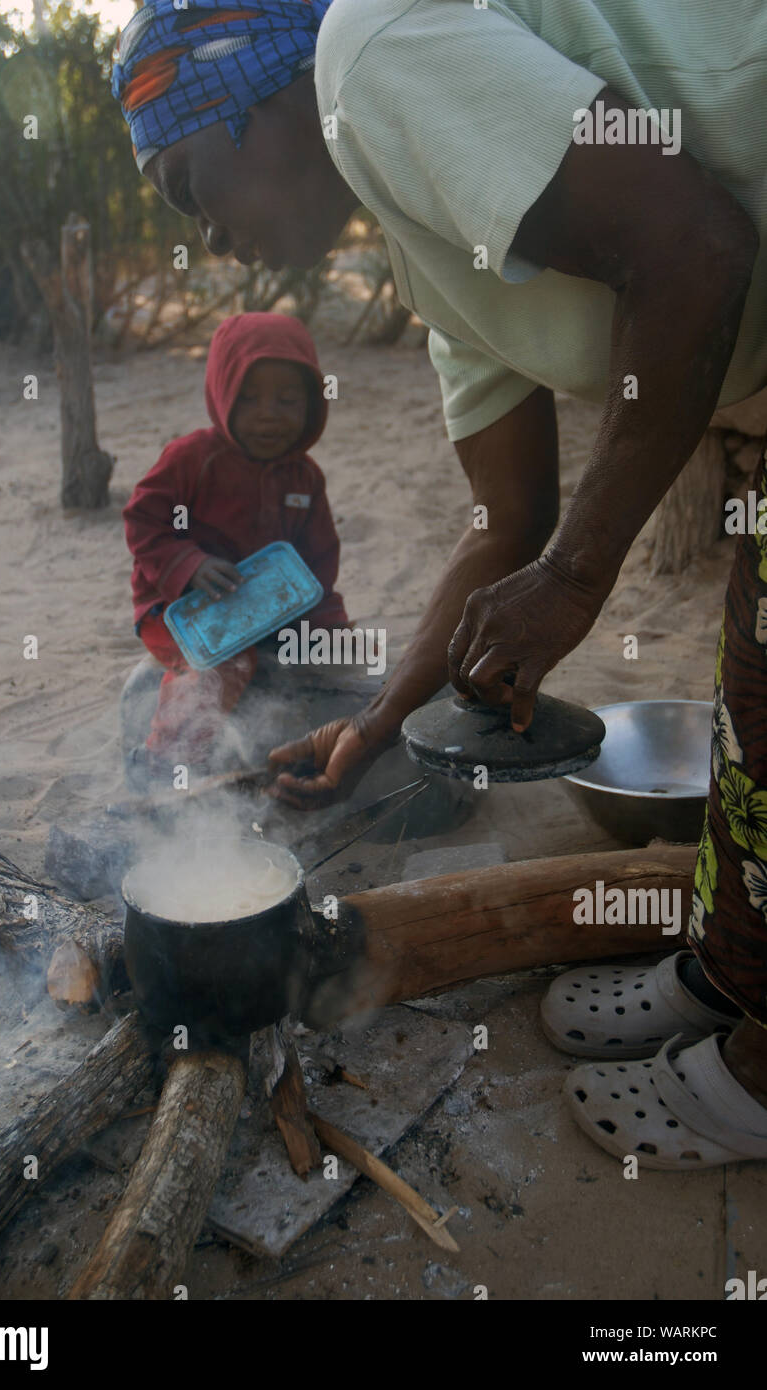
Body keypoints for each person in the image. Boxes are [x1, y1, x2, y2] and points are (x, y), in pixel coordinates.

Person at [112, 0, 767, 1165]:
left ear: (253, 104)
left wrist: (574, 580)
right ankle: (732, 977)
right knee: (759, 719)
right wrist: (373, 726)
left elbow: (696, 244)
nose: (205, 238)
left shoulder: (368, 49)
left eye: (183, 187)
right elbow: (505, 518)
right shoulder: (437, 249)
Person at [123, 311, 348, 774]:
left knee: (342, 655)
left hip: (263, 612)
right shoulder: (192, 459)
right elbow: (143, 520)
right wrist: (188, 565)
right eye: (248, 399)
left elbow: (317, 563)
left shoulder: (304, 476)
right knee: (222, 665)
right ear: (221, 396)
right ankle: (165, 765)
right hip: (179, 612)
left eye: (287, 400)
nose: (269, 414)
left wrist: (326, 624)